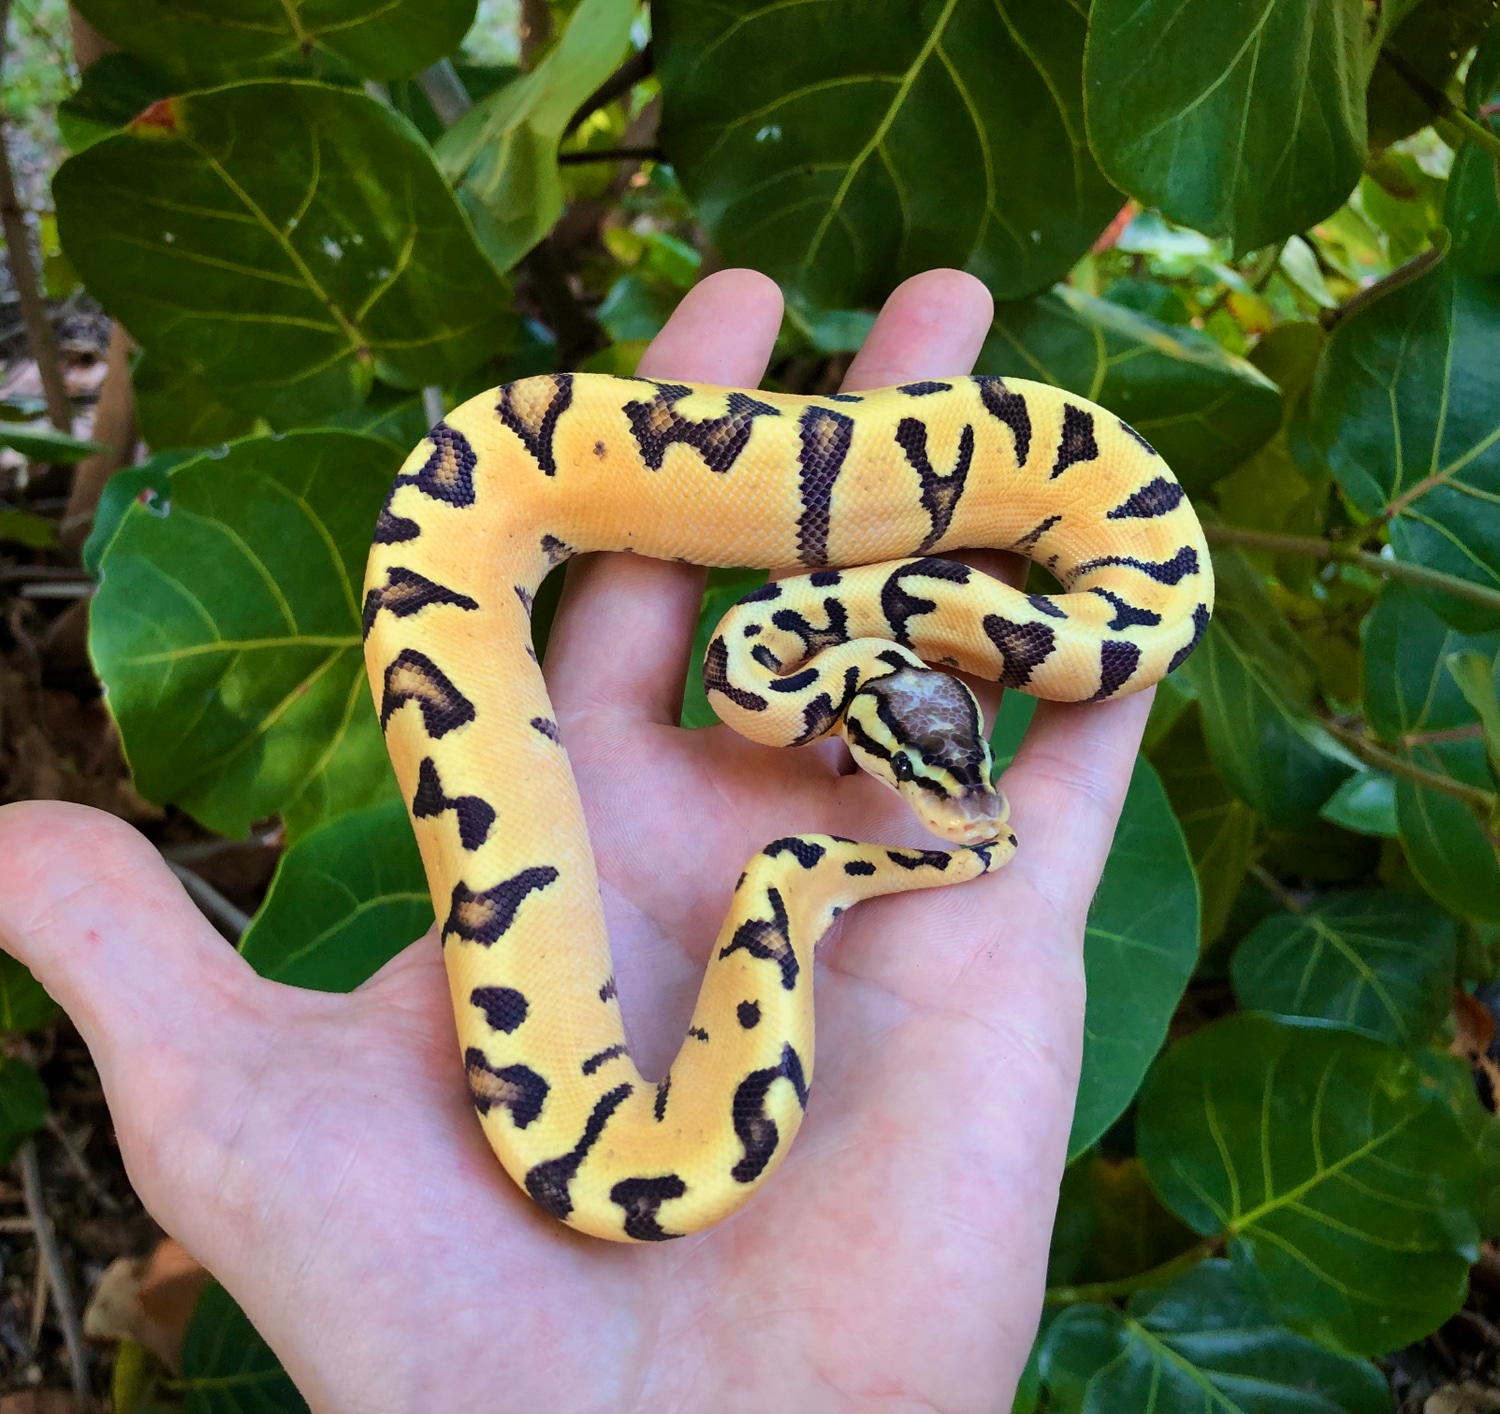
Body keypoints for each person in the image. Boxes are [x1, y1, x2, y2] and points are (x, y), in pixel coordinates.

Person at [0, 269, 1151, 1413]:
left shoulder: (842, 668)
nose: (954, 797)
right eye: (931, 773)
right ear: (872, 706)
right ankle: (808, 876)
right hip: (500, 537)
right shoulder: (784, 681)